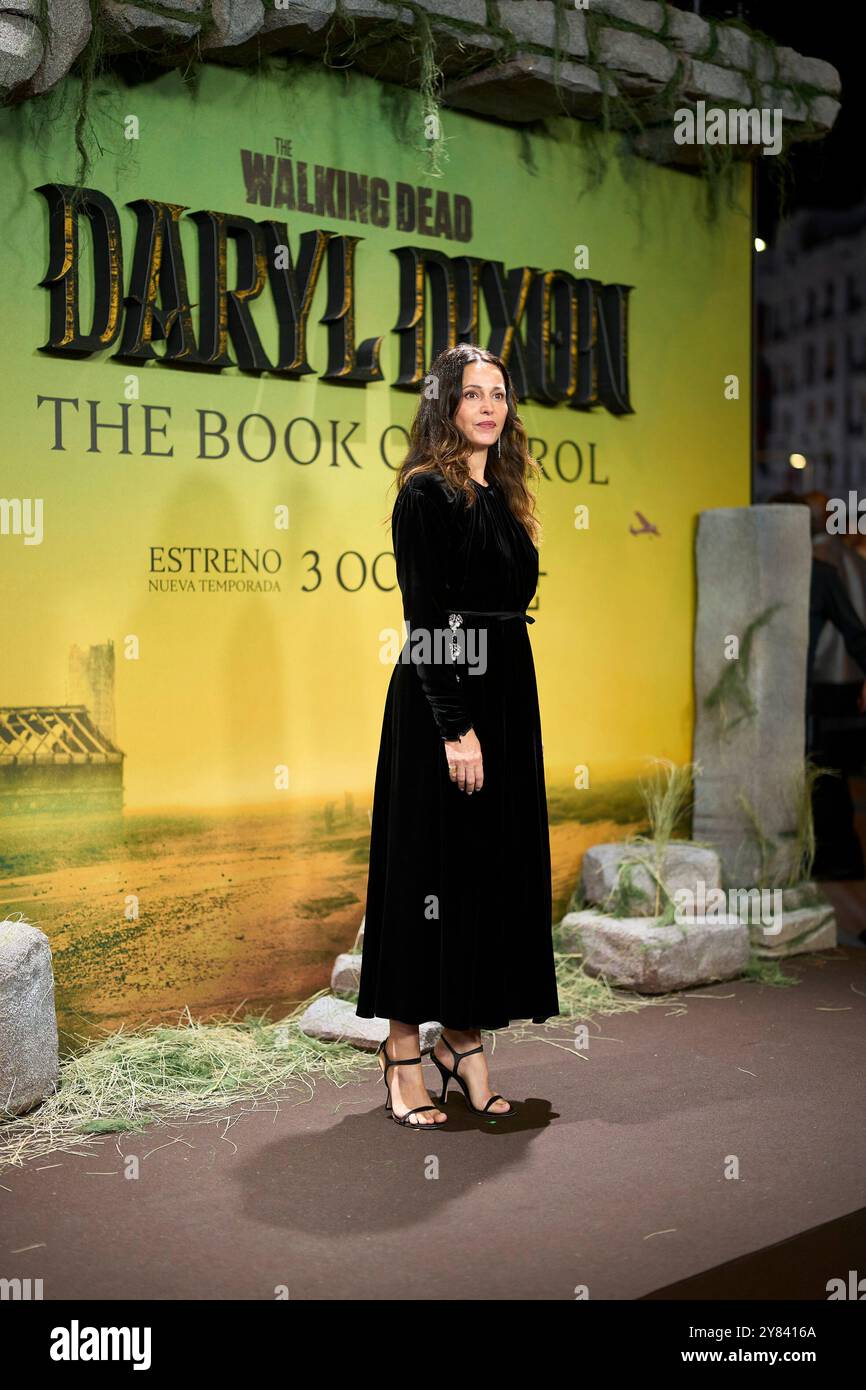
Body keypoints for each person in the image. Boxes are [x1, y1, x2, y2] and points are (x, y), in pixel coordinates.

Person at [357, 344, 560, 1127]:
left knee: (481, 877)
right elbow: (424, 621)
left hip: (508, 700)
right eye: (471, 393)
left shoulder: (506, 496)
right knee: (426, 875)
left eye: (499, 394)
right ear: (444, 405)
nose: (488, 405)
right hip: (444, 706)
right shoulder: (424, 496)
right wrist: (455, 729)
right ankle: (403, 1053)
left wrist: (492, 724)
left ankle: (464, 1042)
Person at [769, 492, 866, 881]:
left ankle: (811, 864)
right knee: (823, 777)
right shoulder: (845, 562)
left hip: (814, 694)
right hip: (789, 697)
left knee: (820, 777)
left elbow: (855, 633)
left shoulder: (823, 572)